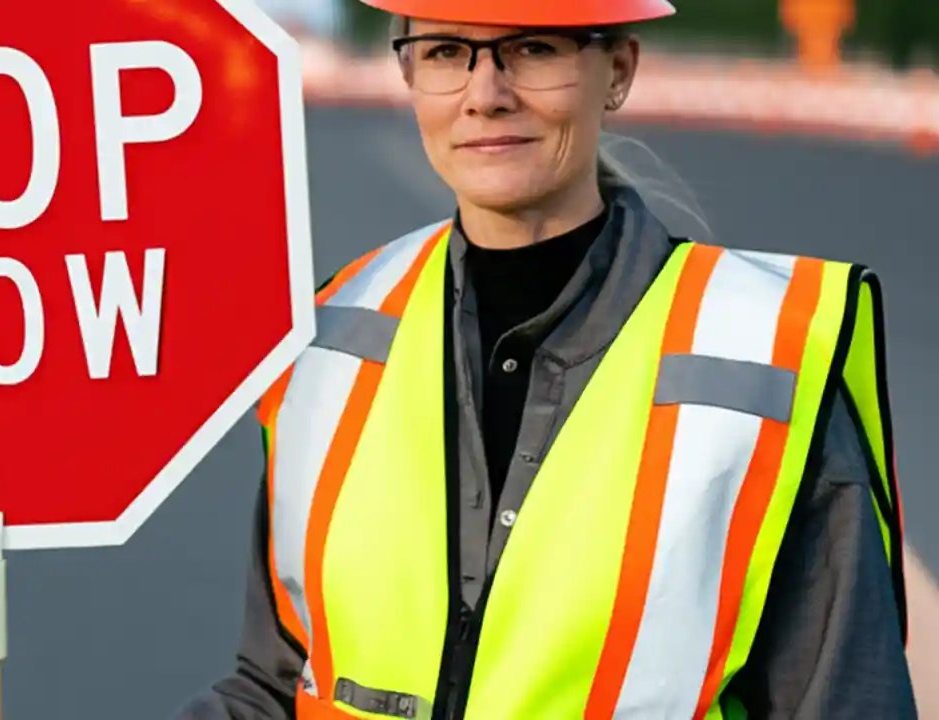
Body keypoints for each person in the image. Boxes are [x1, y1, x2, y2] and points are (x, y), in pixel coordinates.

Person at [177, 1, 917, 717]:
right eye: (444, 52)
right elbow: (276, 685)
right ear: (407, 72)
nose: (485, 94)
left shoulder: (763, 355)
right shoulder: (331, 336)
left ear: (619, 69)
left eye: (534, 48)